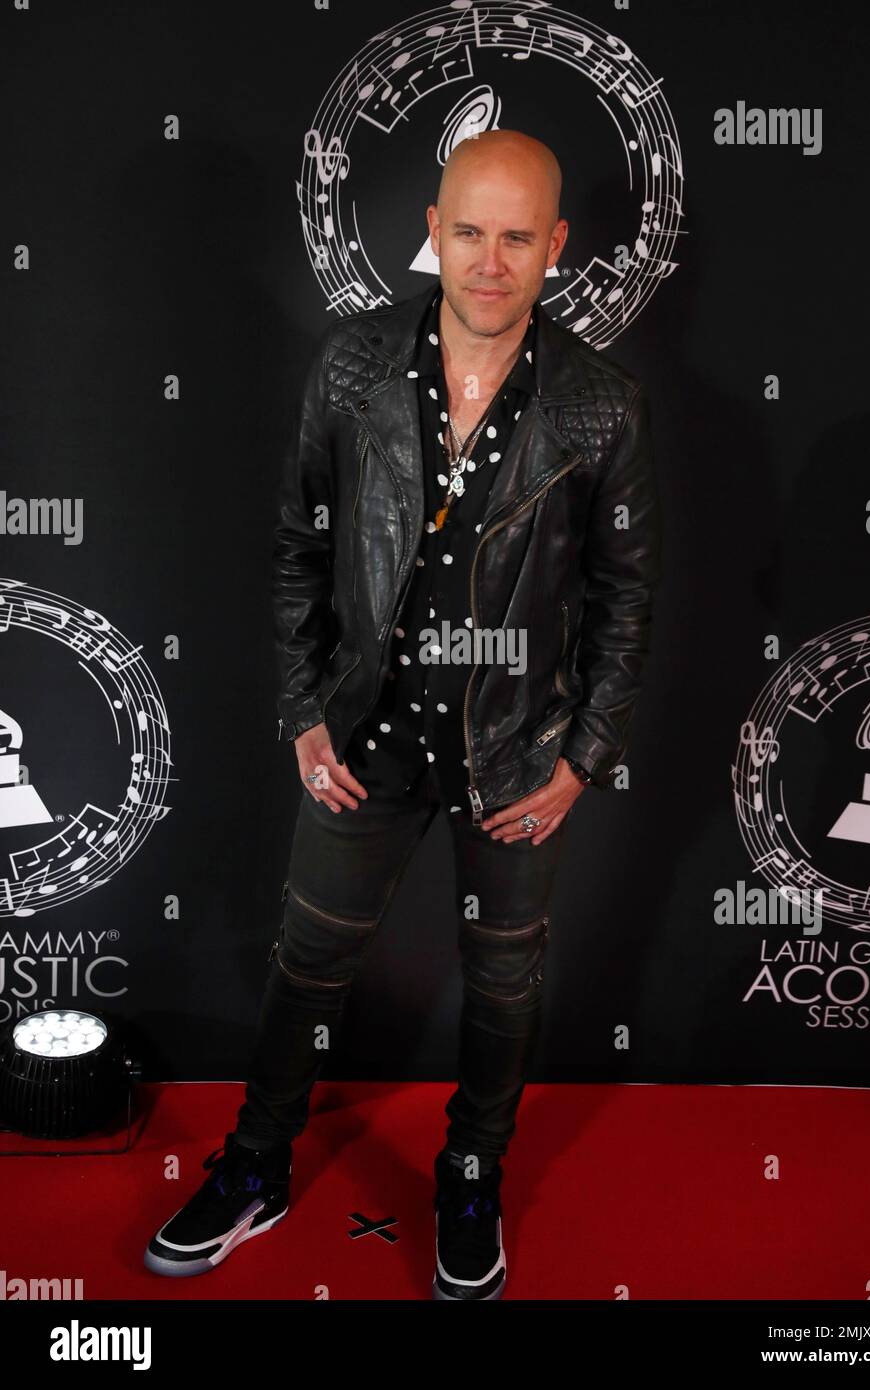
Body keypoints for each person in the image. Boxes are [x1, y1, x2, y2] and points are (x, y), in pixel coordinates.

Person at [144, 129, 661, 1299]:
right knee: (304, 964)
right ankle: (258, 1164)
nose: (489, 261)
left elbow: (628, 597)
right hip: (363, 734)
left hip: (517, 751)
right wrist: (300, 708)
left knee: (504, 985)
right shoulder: (352, 368)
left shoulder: (600, 406)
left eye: (517, 237)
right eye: (468, 231)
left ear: (556, 248)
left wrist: (583, 758)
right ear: (431, 231)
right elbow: (296, 549)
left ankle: (470, 1174)